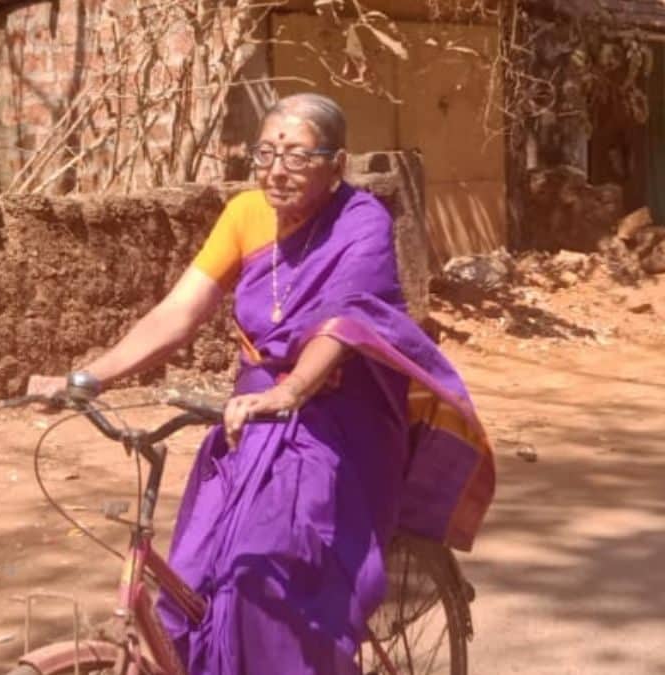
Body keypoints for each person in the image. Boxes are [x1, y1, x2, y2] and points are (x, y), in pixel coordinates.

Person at [36, 93, 495, 674]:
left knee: (267, 571)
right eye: (267, 153)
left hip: (338, 416)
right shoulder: (245, 213)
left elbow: (346, 321)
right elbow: (179, 312)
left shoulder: (363, 221)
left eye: (298, 157)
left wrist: (292, 391)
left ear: (337, 165)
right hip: (251, 413)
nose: (277, 170)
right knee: (199, 570)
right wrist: (88, 377)